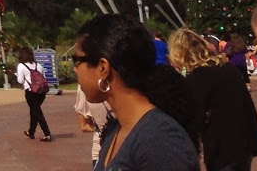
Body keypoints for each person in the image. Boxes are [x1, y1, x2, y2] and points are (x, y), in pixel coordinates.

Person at [71, 13, 198, 170]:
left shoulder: (159, 140)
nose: (74, 69)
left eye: (77, 61)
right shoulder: (116, 129)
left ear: (103, 68)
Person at [169, 27, 257, 171]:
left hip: (222, 147)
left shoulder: (198, 77)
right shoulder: (227, 68)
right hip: (244, 142)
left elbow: (194, 118)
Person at [17, 50, 54, 140]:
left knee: (37, 112)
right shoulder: (38, 65)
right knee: (34, 111)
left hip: (31, 92)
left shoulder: (21, 66)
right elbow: (43, 78)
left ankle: (47, 133)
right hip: (41, 92)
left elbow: (20, 80)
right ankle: (31, 131)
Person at [75, 85, 111, 167]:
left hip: (99, 147)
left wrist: (101, 128)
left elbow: (84, 126)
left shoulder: (84, 85)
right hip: (128, 147)